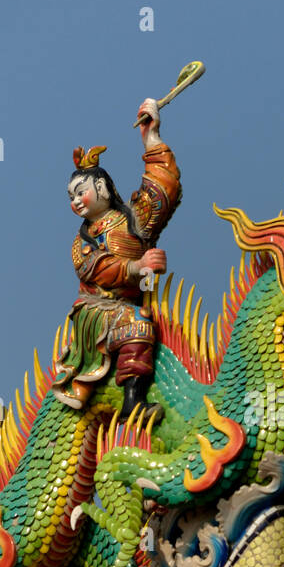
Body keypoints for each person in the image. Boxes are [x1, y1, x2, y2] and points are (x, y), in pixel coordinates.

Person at [53, 97, 181, 420]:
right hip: (97, 310)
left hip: (130, 302)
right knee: (137, 323)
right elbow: (98, 268)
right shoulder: (81, 242)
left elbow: (163, 190)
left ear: (101, 186)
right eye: (70, 197)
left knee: (144, 318)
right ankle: (132, 405)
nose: (75, 202)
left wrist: (151, 137)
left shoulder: (133, 219)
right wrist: (137, 267)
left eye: (79, 192)